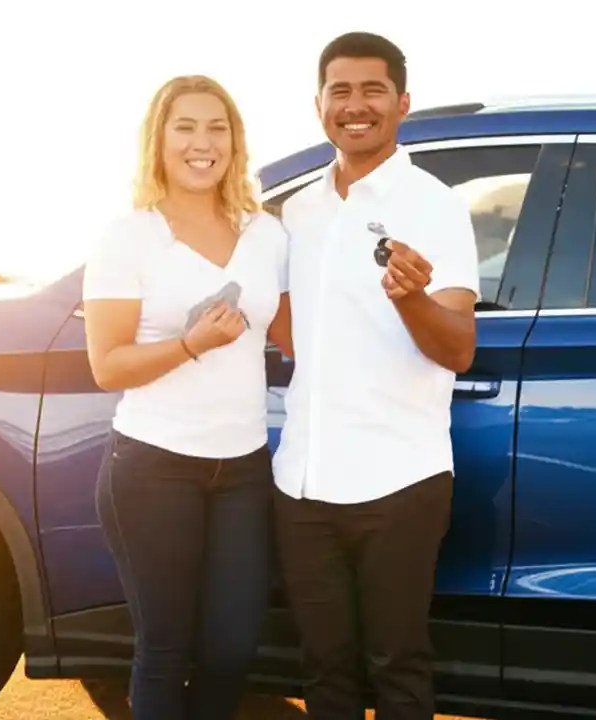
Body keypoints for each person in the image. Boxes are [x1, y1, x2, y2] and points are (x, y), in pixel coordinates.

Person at [270, 31, 480, 719]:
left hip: (400, 480)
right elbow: (292, 334)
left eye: (372, 90)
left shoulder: (435, 205)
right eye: (341, 90)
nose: (355, 105)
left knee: (397, 668)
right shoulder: (297, 212)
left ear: (402, 103)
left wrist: (411, 297)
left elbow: (458, 349)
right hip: (303, 481)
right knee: (324, 672)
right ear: (319, 104)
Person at [81, 74, 293, 720]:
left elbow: (292, 337)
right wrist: (191, 343)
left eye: (217, 128)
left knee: (231, 648)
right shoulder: (130, 236)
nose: (203, 143)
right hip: (154, 465)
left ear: (236, 142)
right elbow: (107, 365)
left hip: (244, 468)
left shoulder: (266, 235)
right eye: (186, 127)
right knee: (165, 650)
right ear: (160, 141)